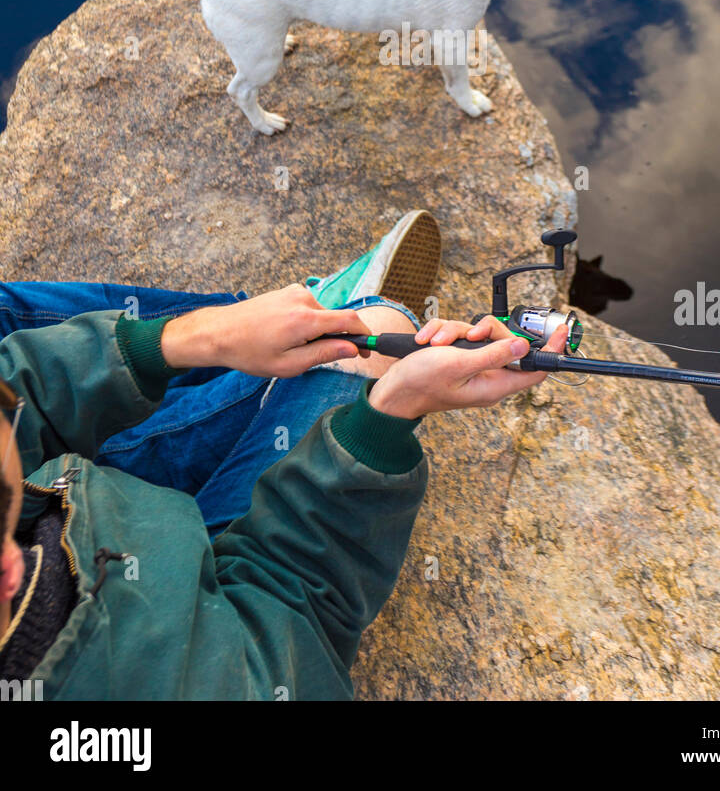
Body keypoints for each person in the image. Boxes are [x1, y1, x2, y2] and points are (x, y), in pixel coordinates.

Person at [0, 211, 565, 700]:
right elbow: (298, 607)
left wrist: (192, 339)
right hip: (209, 588)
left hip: (86, 497)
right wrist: (387, 416)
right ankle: (320, 325)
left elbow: (19, 387)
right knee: (375, 330)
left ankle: (289, 330)